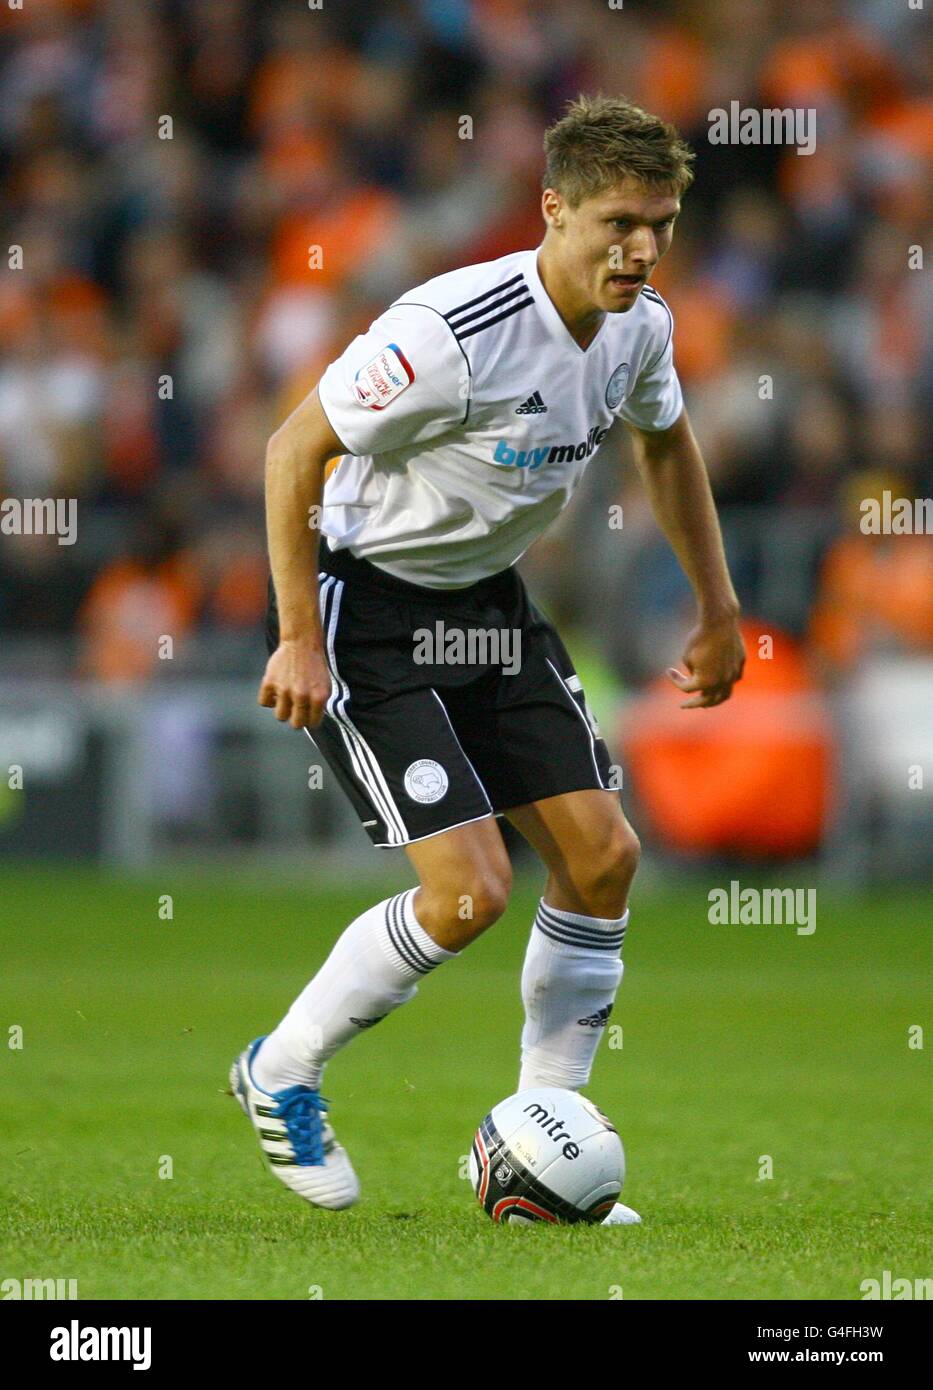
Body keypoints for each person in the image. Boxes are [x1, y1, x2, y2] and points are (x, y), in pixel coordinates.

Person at [229, 95, 745, 1224]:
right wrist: (298, 637)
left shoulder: (641, 325)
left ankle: (540, 1137)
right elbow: (290, 451)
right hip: (365, 612)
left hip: (491, 608)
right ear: (552, 210)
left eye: (659, 222)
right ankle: (283, 1066)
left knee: (604, 859)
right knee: (470, 894)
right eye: (617, 222)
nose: (642, 248)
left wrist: (717, 604)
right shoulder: (449, 333)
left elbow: (666, 443)